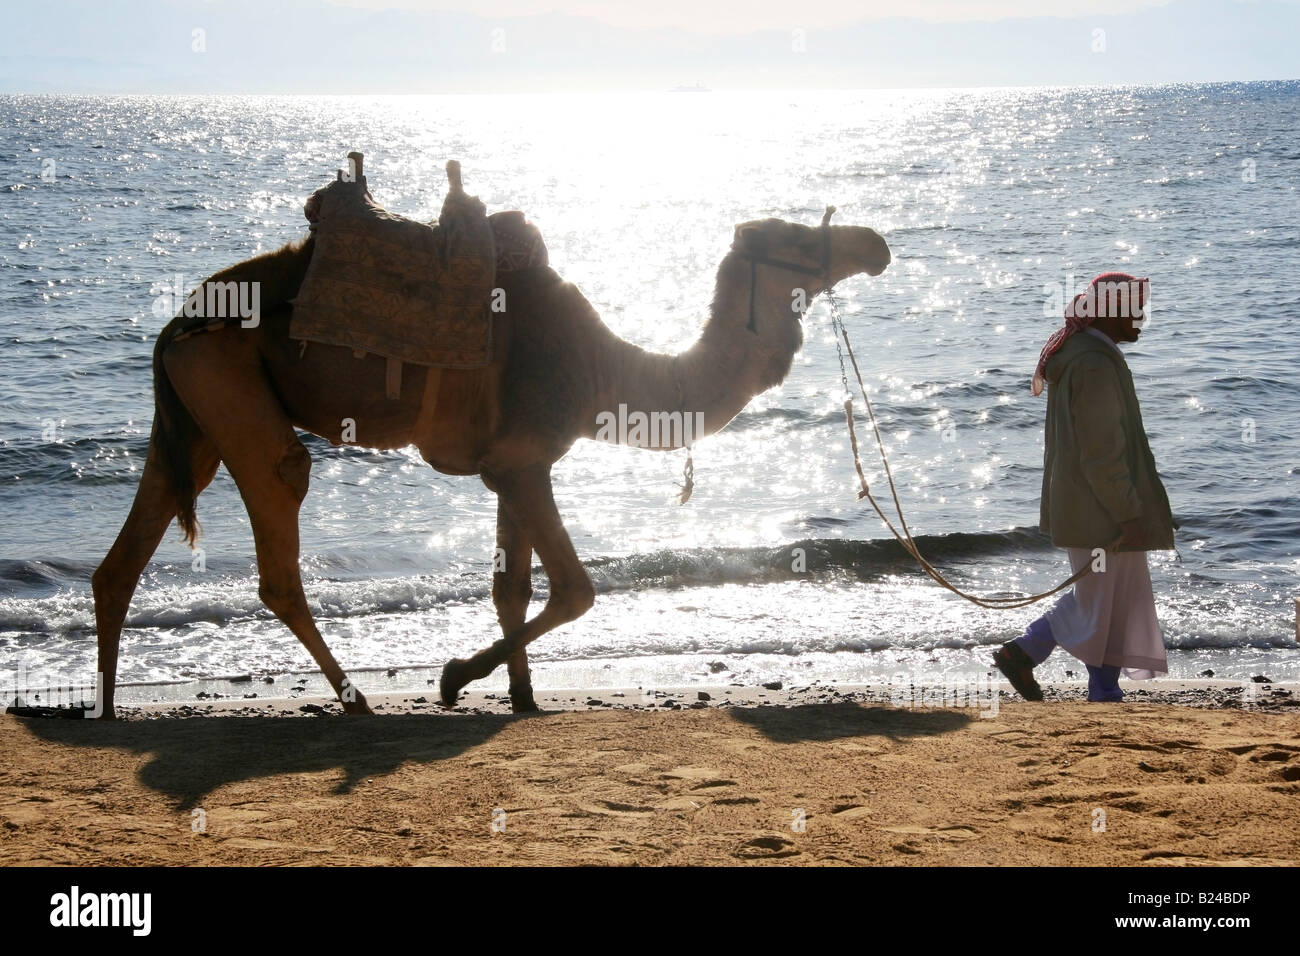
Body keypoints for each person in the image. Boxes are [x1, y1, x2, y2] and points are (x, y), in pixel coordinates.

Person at [993, 272, 1177, 702]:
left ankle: (1102, 687)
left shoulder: (1086, 353)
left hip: (1089, 503)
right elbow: (1101, 451)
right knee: (1098, 599)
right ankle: (1024, 651)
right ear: (1111, 313)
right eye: (1134, 309)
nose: (1141, 318)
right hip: (1101, 509)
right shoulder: (1093, 362)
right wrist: (1128, 511)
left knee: (1112, 597)